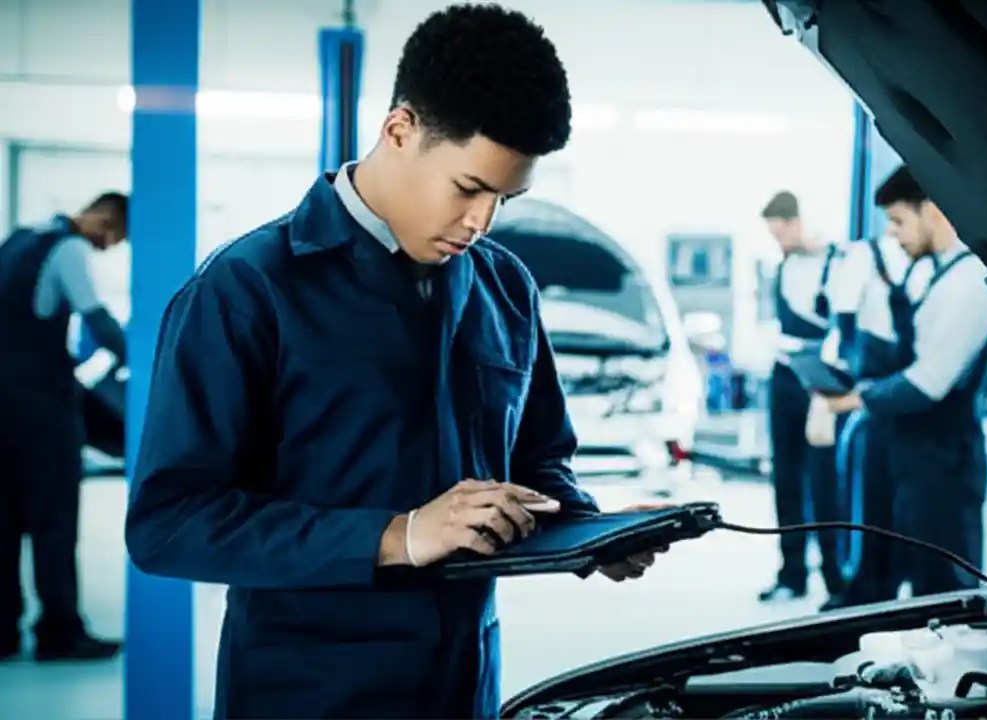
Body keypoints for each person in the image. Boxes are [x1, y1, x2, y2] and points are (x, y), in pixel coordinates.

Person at [125, 6, 665, 719]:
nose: (481, 223)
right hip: (308, 692)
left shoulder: (504, 288)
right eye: (469, 188)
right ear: (400, 130)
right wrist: (399, 535)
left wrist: (590, 534)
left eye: (505, 198)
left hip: (463, 683)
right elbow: (170, 523)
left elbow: (539, 469)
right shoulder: (248, 290)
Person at [823, 165, 987, 597]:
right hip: (912, 458)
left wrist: (858, 398)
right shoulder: (934, 273)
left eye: (899, 221)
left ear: (935, 210)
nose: (894, 235)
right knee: (902, 582)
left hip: (943, 464)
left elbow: (927, 383)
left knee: (943, 595)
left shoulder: (969, 283)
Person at [0, 192, 129, 662]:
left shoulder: (18, 239)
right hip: (41, 406)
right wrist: (150, 361)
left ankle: (3, 630)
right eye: (112, 238)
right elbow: (97, 321)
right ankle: (60, 631)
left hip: (2, 404)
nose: (104, 246)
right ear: (105, 218)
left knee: (4, 519)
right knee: (54, 519)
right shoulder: (69, 247)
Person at [821, 230, 930, 610]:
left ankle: (871, 592)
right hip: (875, 401)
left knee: (876, 505)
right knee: (870, 504)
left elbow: (841, 328)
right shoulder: (877, 258)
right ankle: (866, 591)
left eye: (901, 221)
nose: (899, 233)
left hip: (886, 402)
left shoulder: (872, 259)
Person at [757, 190, 849, 605]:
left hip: (824, 380)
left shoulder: (841, 263)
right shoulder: (783, 265)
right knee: (786, 479)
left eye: (781, 234)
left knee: (825, 480)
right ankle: (791, 573)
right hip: (784, 377)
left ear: (797, 222)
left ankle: (836, 579)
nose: (779, 243)